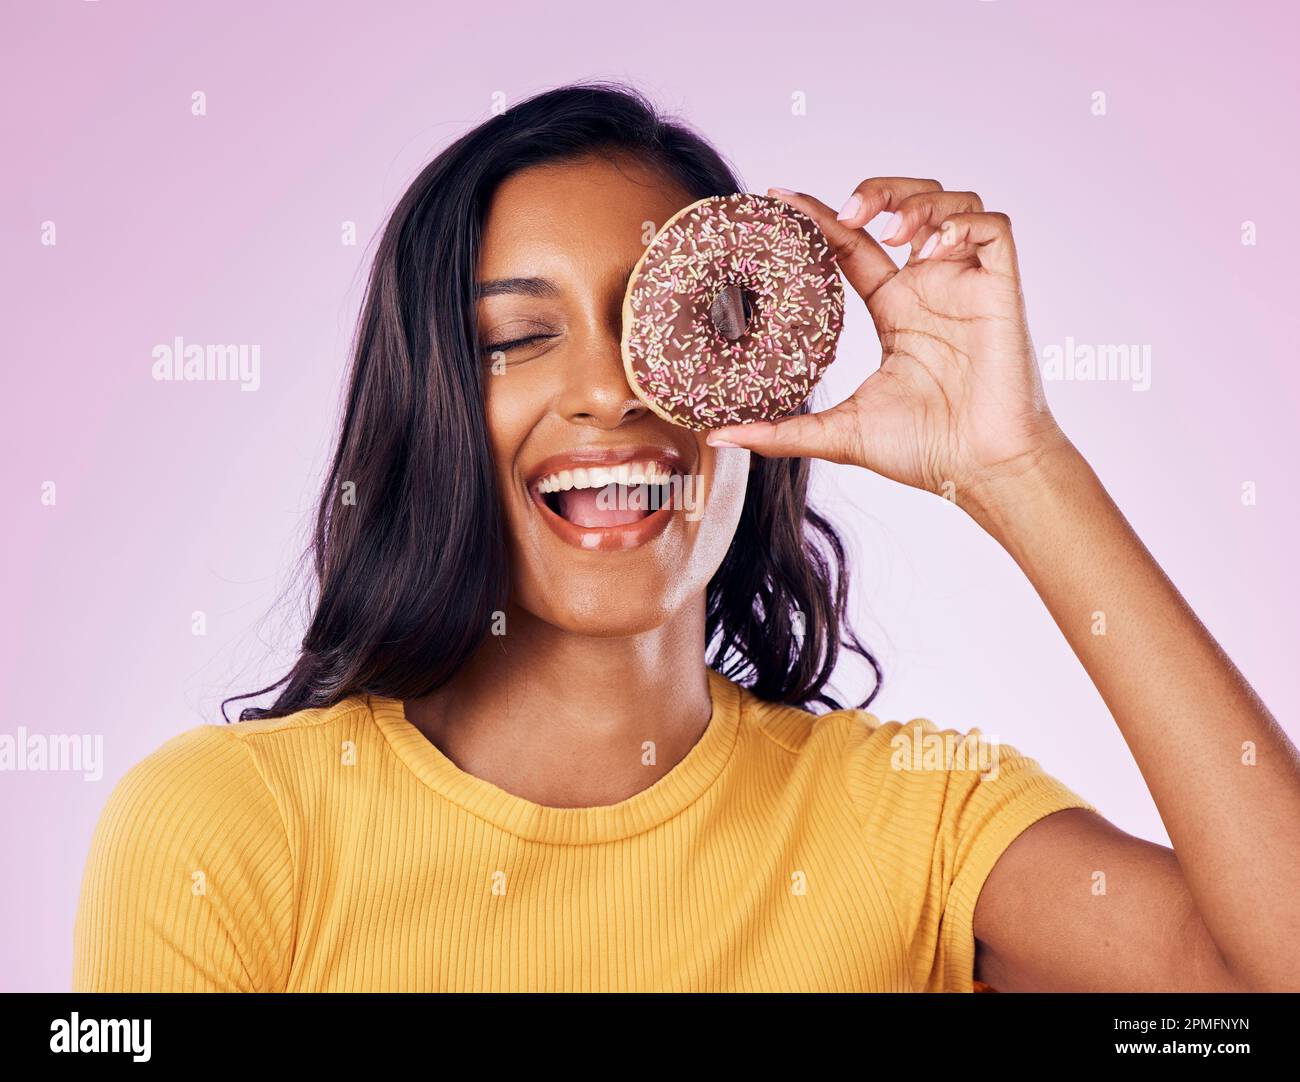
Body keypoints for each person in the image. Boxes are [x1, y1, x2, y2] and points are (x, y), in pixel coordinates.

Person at [72, 82, 1299, 993]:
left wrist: (1019, 465)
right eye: (515, 338)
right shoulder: (225, 828)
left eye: (689, 321)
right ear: (427, 400)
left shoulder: (910, 818)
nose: (613, 391)